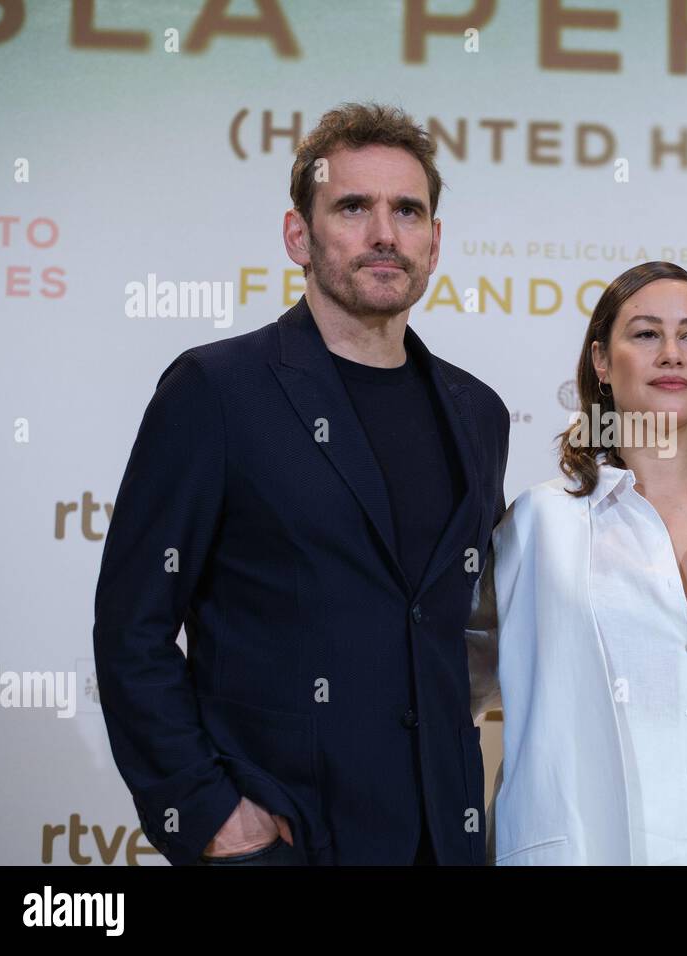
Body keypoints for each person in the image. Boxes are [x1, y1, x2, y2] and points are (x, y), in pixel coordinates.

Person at [93, 102, 509, 866]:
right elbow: (132, 627)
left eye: (407, 211)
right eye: (353, 207)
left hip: (446, 841)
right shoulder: (216, 390)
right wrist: (207, 812)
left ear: (434, 242)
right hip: (287, 839)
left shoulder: (477, 412)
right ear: (299, 236)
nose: (384, 233)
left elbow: (462, 631)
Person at [467, 261, 687, 866]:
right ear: (602, 362)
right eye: (646, 334)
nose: (672, 354)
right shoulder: (539, 524)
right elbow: (457, 683)